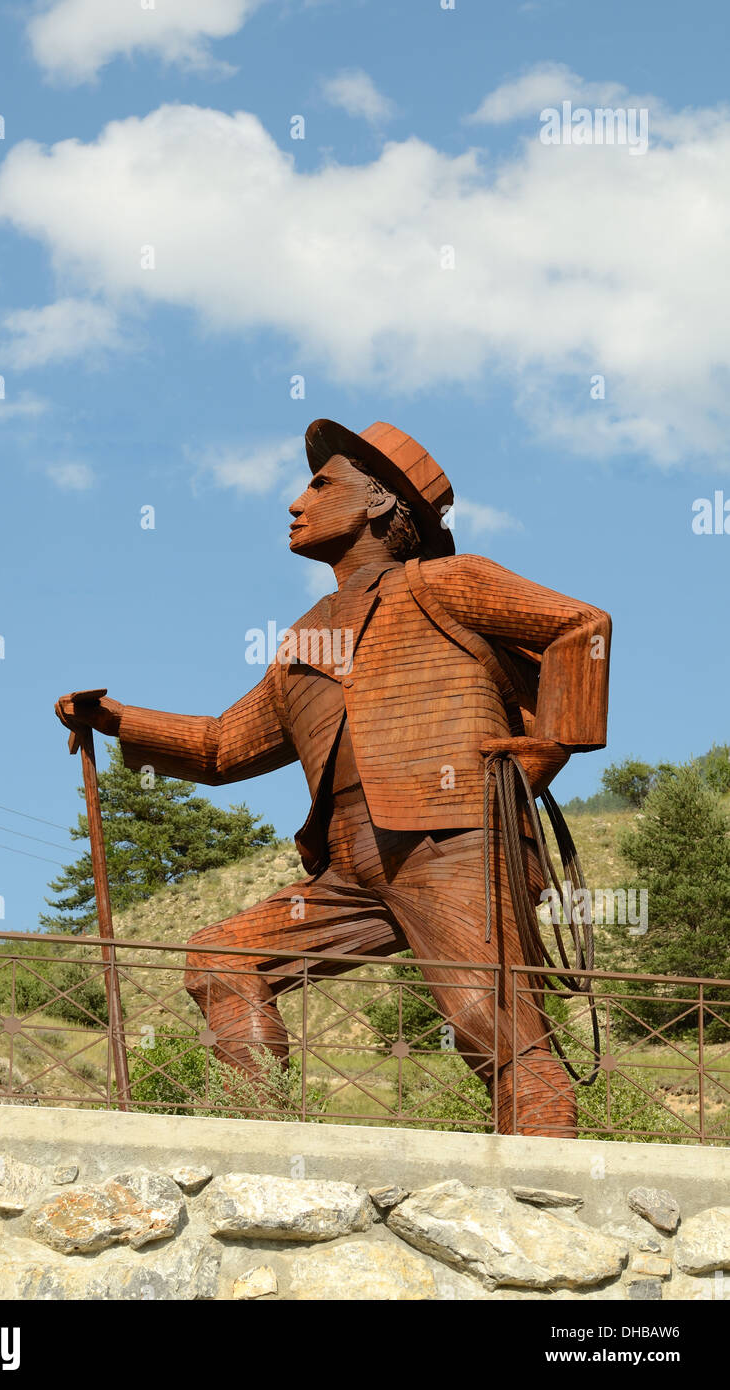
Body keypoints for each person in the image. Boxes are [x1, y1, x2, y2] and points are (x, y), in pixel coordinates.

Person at [56, 419, 611, 1135]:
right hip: (349, 860)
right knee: (222, 958)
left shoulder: (447, 582)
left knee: (487, 1021)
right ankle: (260, 1136)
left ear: (379, 504)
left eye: (320, 485)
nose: (296, 502)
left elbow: (581, 629)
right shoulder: (305, 639)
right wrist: (119, 720)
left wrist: (551, 747)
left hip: (452, 839)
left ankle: (551, 1185)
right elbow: (224, 746)